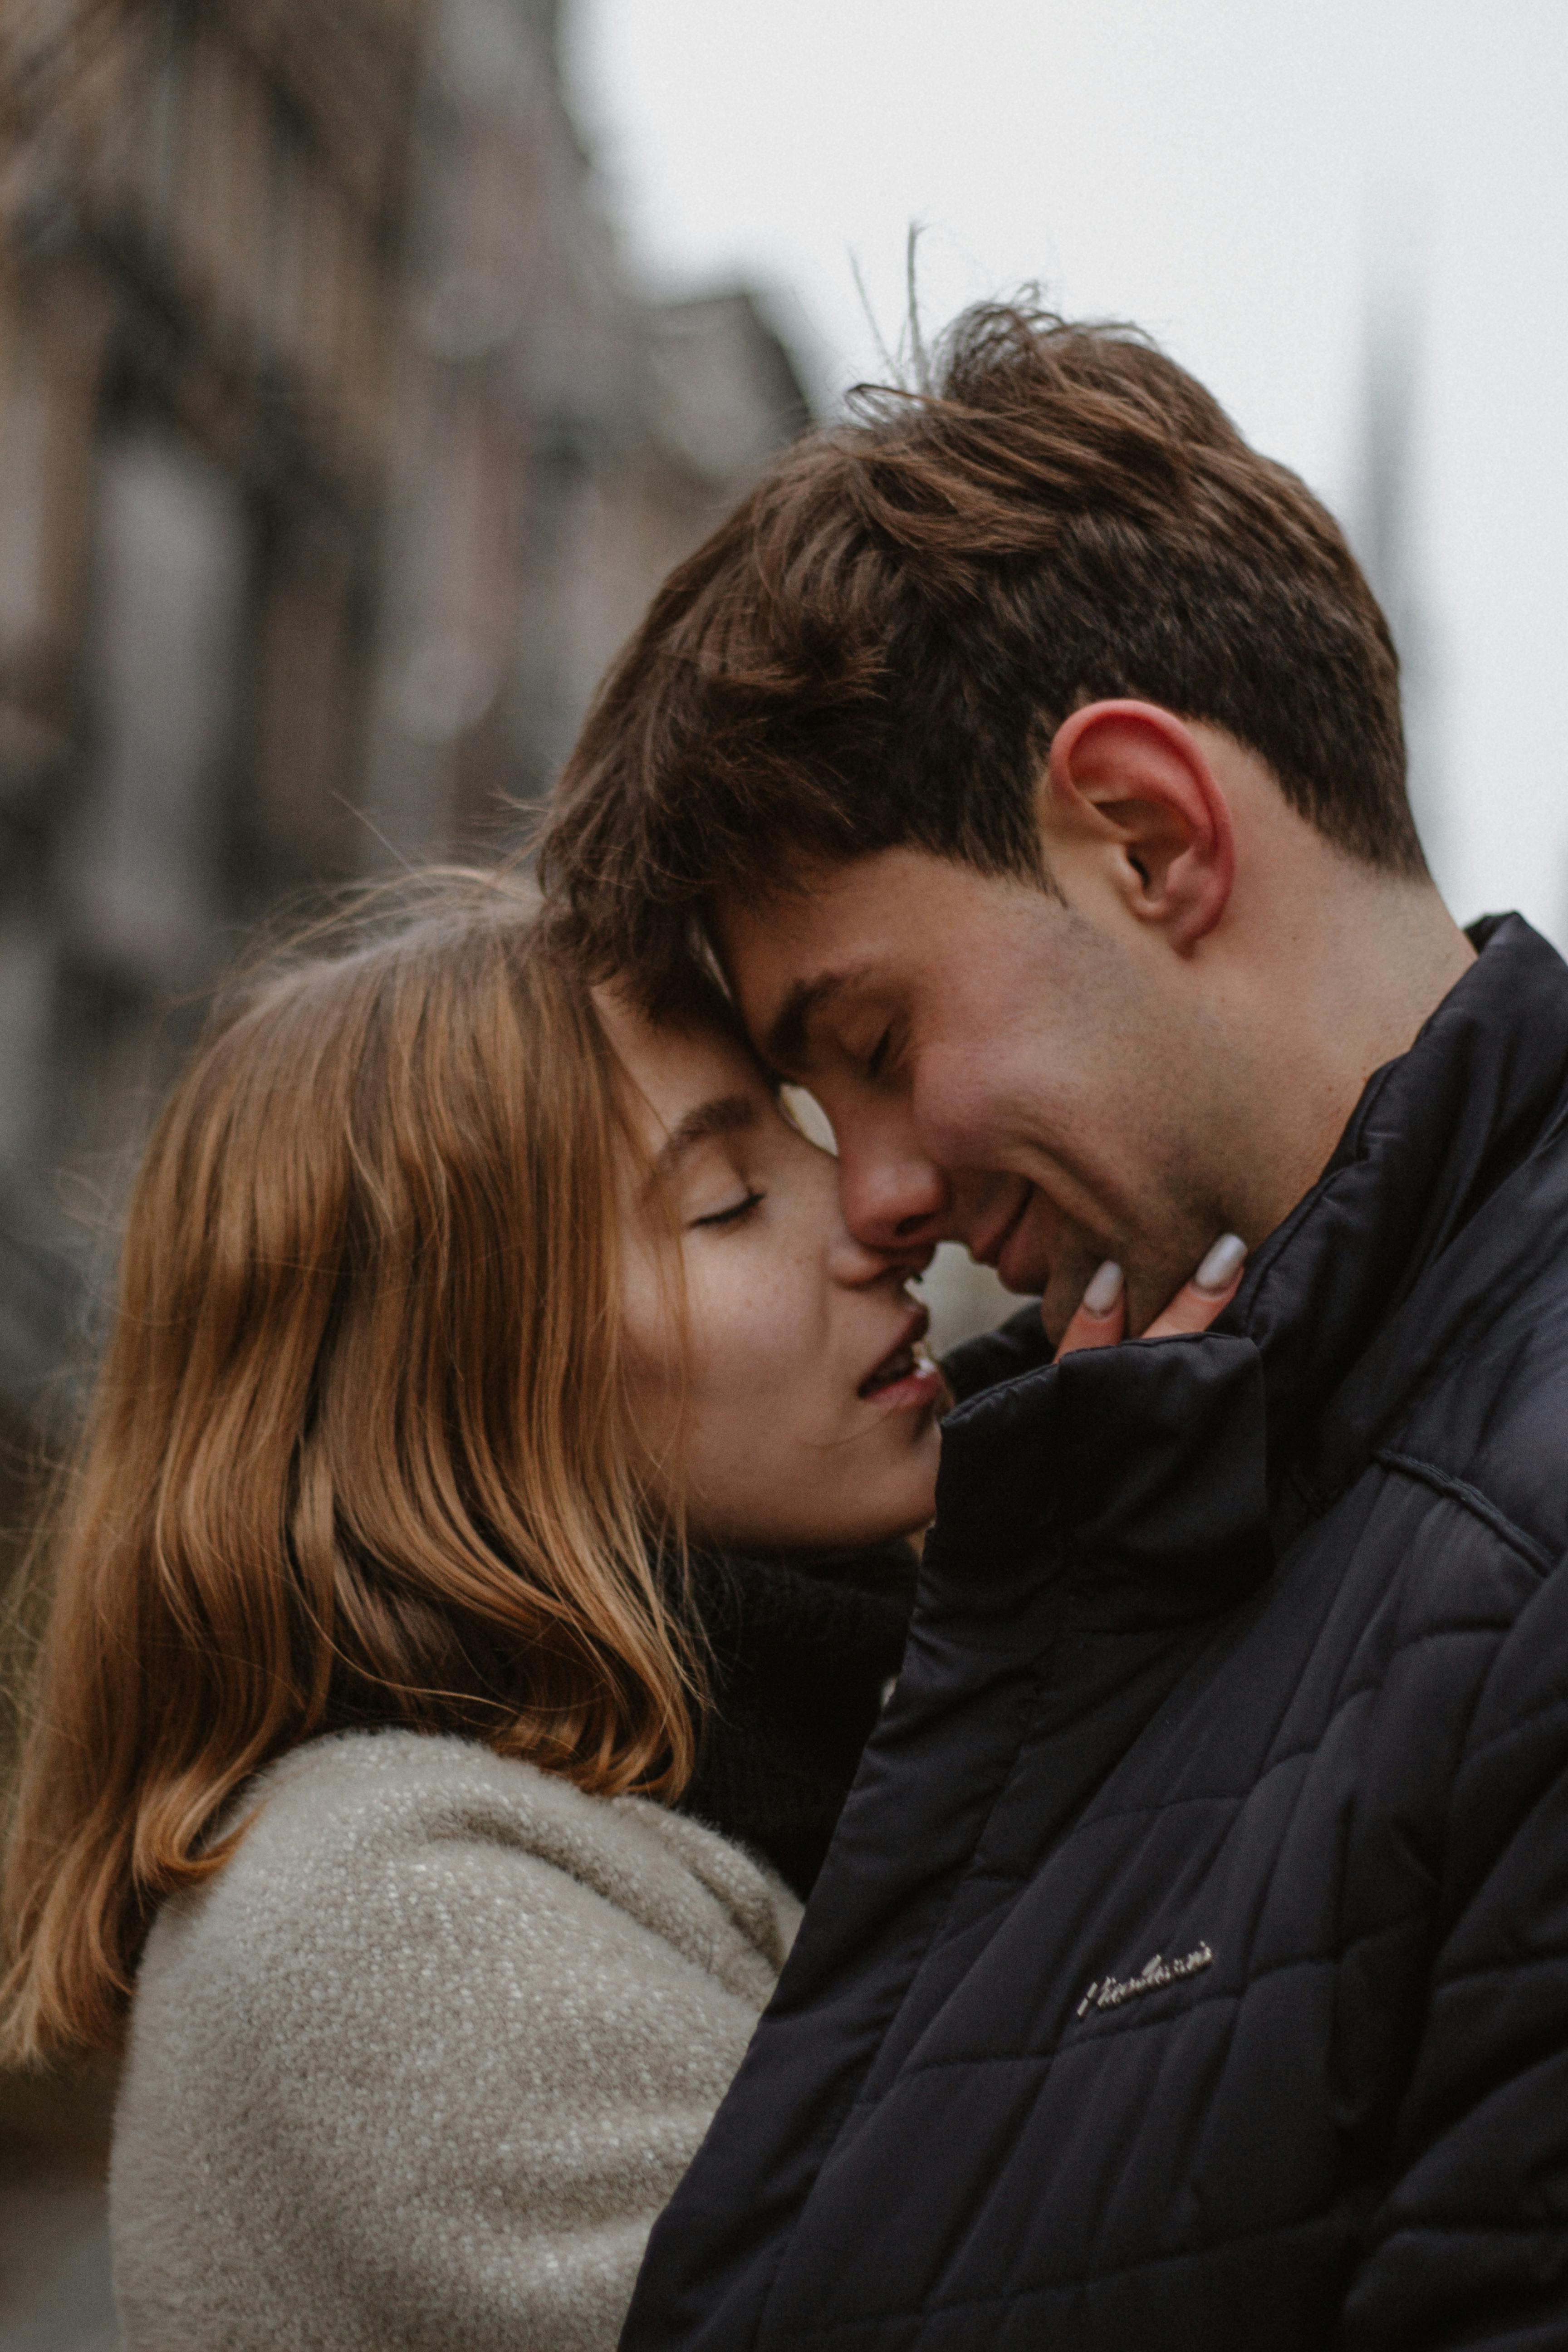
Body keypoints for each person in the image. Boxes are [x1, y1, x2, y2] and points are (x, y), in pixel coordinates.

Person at [541, 301, 1568, 2350]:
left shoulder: (1500, 1540)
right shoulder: (1183, 1500)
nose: (883, 1190)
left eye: (878, 1041)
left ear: (1151, 834)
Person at [0, 877, 943, 2352]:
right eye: (730, 1200)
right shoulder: (384, 1912)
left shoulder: (773, 1762)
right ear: (463, 1387)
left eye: (803, 1133)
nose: (881, 1208)